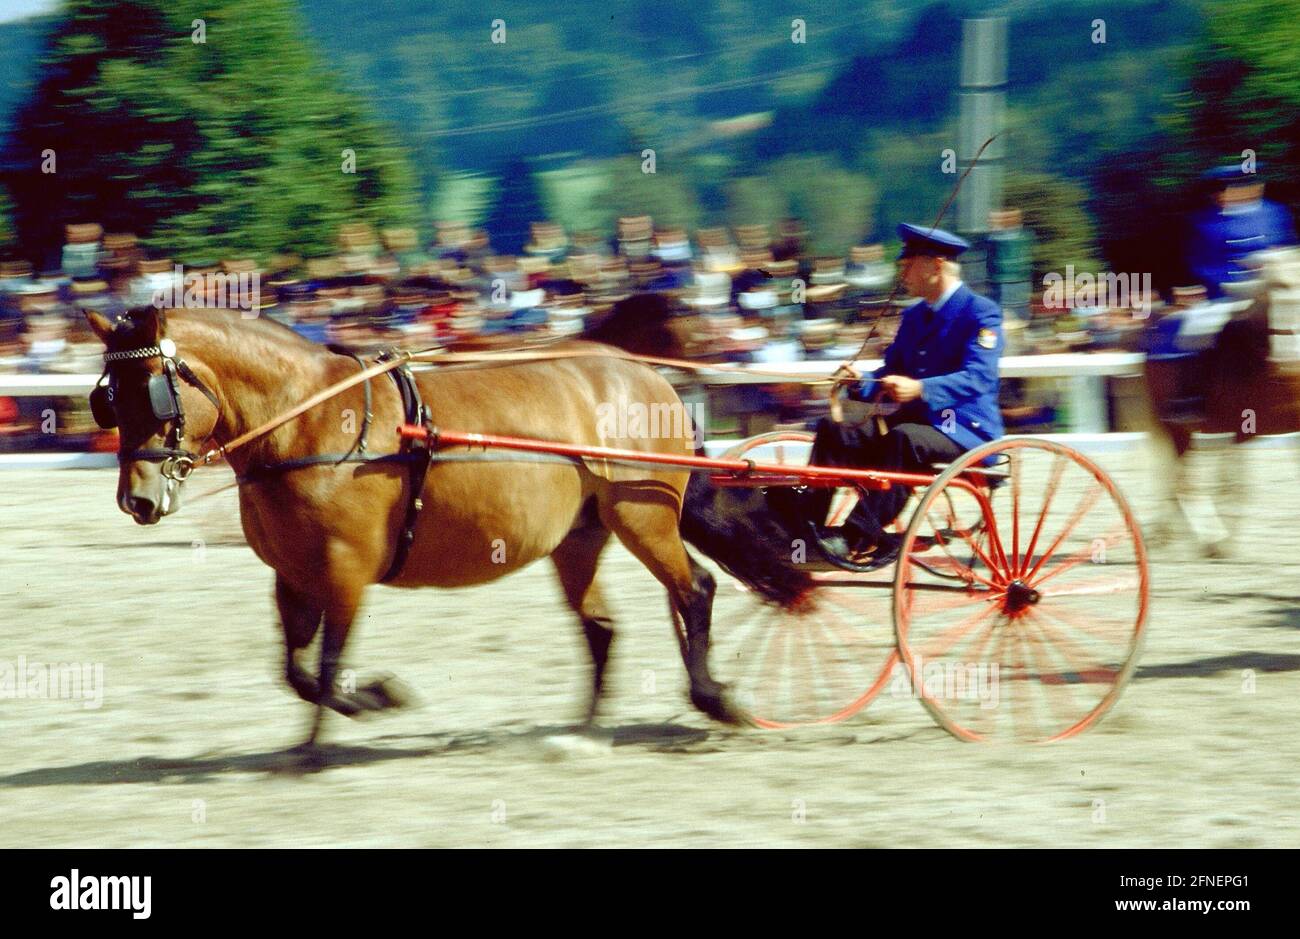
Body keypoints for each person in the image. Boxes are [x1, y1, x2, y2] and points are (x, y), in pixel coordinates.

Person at [807, 223, 1004, 566]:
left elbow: (980, 377)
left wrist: (922, 388)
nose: (902, 274)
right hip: (914, 424)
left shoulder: (980, 312)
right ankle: (805, 527)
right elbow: (890, 372)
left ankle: (859, 533)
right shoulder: (914, 316)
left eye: (907, 265)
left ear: (936, 265)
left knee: (903, 438)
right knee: (833, 428)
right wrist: (861, 381)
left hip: (965, 430)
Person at [1188, 163, 1297, 300]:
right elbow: (1204, 265)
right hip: (1229, 296)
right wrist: (1239, 285)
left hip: (1277, 289)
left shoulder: (1274, 212)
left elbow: (1289, 249)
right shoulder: (1205, 223)